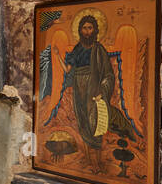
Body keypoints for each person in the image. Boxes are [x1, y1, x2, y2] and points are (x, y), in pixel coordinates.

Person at [59, 14, 137, 170]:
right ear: (80, 30)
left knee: (96, 123)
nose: (87, 31)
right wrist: (57, 56)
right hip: (79, 88)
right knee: (83, 122)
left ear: (95, 30)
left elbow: (108, 74)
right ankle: (89, 160)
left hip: (93, 88)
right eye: (84, 28)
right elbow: (68, 70)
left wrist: (102, 90)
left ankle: (99, 162)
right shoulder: (77, 49)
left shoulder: (98, 49)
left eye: (90, 28)